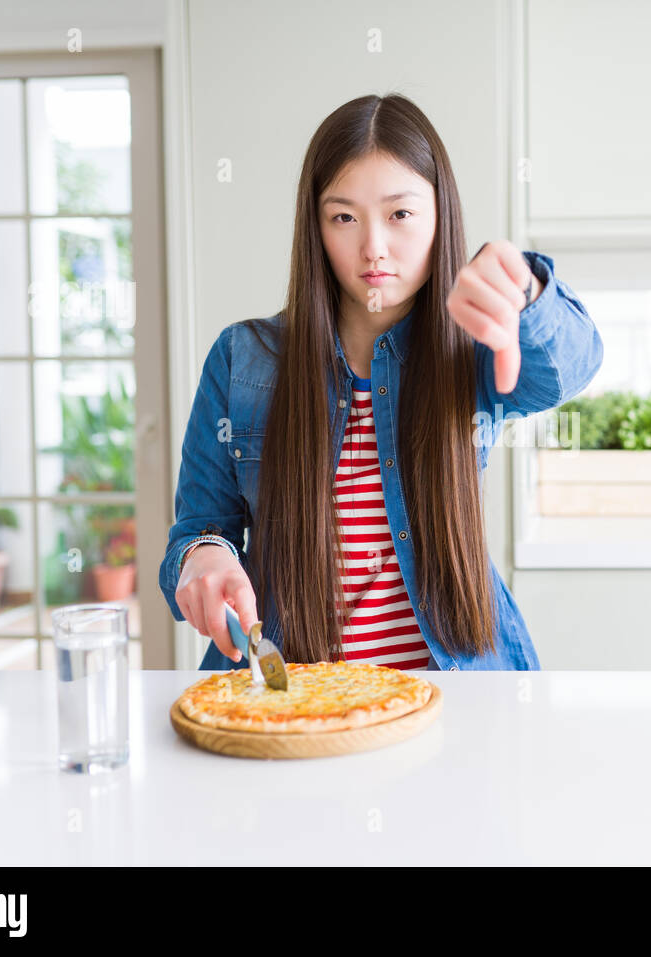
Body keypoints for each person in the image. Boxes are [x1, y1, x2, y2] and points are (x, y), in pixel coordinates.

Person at [157, 93, 603, 671]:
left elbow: (573, 364)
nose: (374, 248)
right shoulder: (243, 360)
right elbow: (199, 529)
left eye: (400, 214)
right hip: (295, 711)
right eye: (343, 216)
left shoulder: (470, 351)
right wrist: (204, 558)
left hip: (458, 703)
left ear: (441, 215)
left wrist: (527, 295)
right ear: (314, 227)